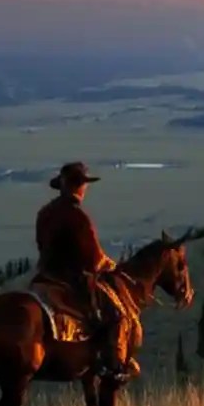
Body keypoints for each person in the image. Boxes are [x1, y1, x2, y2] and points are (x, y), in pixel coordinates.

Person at [34, 161, 129, 379]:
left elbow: (41, 243)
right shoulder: (79, 217)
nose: (83, 188)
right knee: (116, 314)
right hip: (72, 278)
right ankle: (112, 366)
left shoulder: (45, 213)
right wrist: (111, 266)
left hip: (45, 275)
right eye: (82, 184)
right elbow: (94, 258)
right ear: (80, 187)